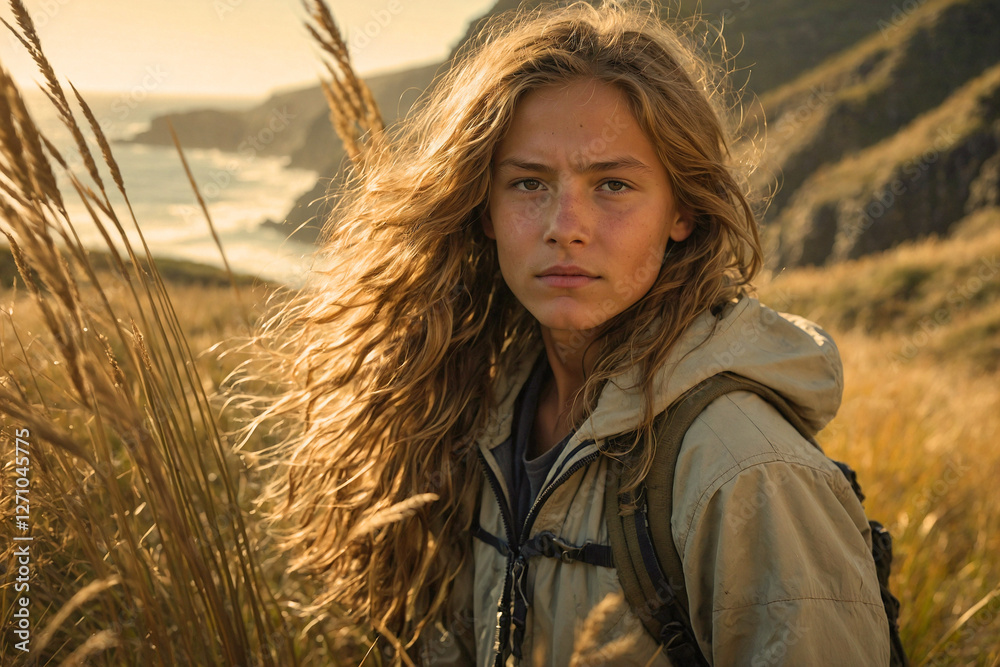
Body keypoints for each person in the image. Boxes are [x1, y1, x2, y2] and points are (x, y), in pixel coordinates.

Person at [251, 1, 892, 665]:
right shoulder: (476, 413)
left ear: (681, 211)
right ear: (486, 209)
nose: (566, 224)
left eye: (612, 184)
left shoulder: (745, 469)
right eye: (529, 182)